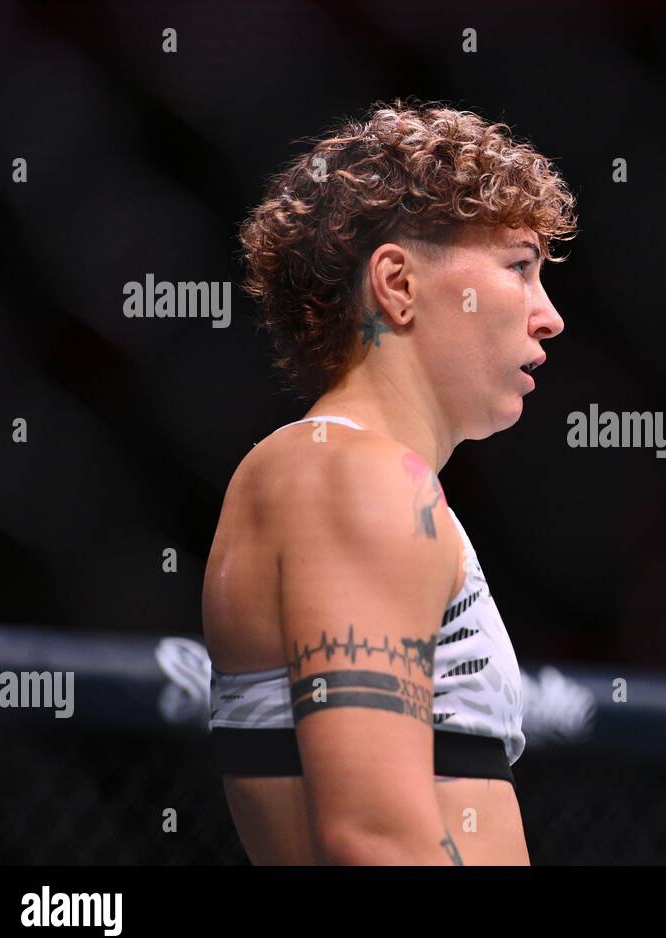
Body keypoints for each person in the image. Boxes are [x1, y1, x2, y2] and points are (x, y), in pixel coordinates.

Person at [201, 97, 577, 865]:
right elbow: (373, 836)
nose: (549, 317)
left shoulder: (338, 470)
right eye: (520, 268)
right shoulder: (355, 474)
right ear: (397, 285)